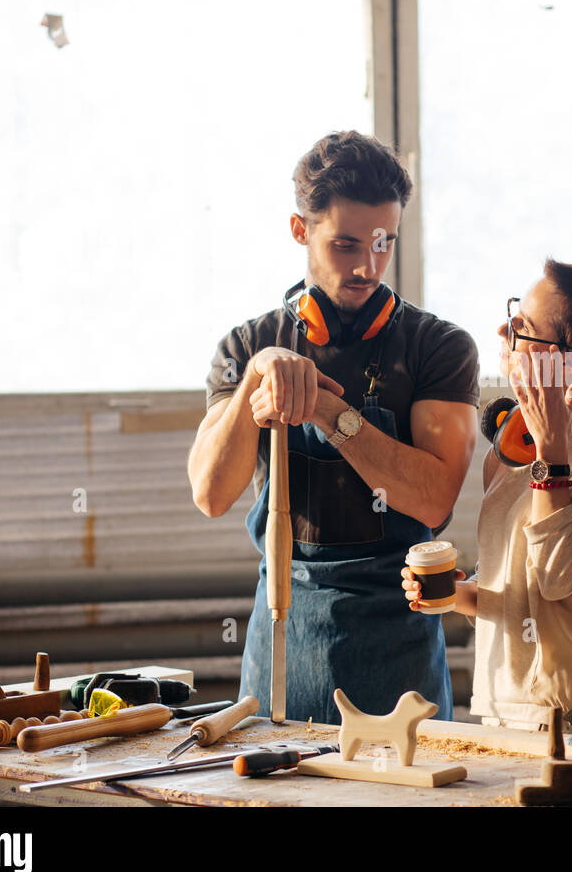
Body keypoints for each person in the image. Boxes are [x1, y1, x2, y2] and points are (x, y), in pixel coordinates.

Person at [189, 130, 480, 725]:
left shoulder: (438, 348)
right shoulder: (245, 345)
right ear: (301, 230)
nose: (366, 266)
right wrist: (254, 381)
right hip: (284, 632)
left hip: (399, 646)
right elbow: (211, 494)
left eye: (383, 243)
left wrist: (328, 411)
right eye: (345, 244)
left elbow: (432, 499)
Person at [402, 260, 572, 729]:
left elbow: (559, 575)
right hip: (501, 707)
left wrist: (552, 448)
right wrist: (455, 594)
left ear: (568, 361)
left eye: (523, 327)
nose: (504, 329)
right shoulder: (508, 449)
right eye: (512, 314)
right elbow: (524, 597)